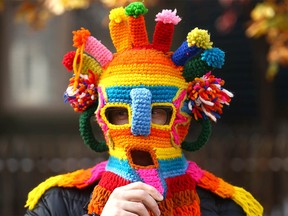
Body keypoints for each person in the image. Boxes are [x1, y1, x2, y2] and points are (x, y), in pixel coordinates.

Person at [25, 2, 263, 216]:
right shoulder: (57, 203)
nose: (139, 128)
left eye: (157, 112)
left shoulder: (227, 207)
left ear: (185, 115)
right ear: (100, 117)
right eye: (119, 113)